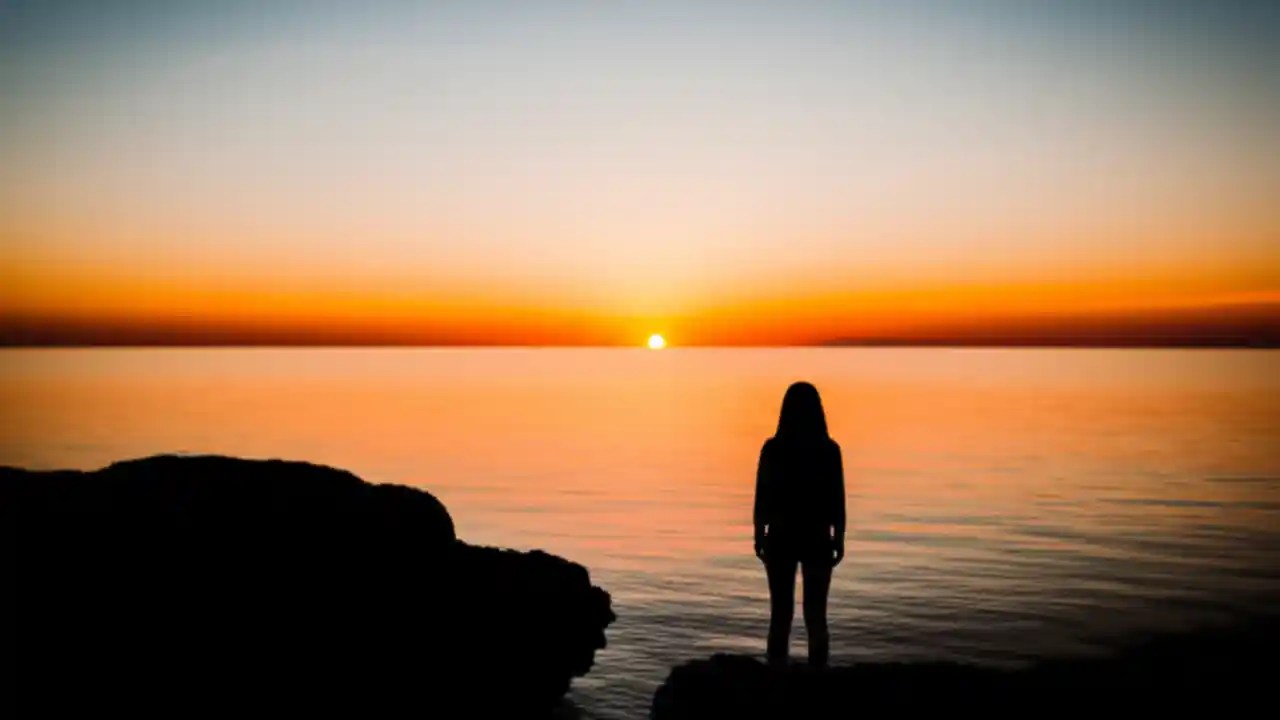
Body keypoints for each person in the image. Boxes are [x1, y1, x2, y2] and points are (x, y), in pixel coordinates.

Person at [753, 381, 845, 667]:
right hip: (817, 537)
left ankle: (775, 677)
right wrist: (839, 538)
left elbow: (762, 495)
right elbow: (837, 499)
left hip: (780, 537)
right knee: (816, 617)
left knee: (780, 615)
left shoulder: (773, 448)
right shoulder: (828, 450)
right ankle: (819, 678)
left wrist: (759, 534)